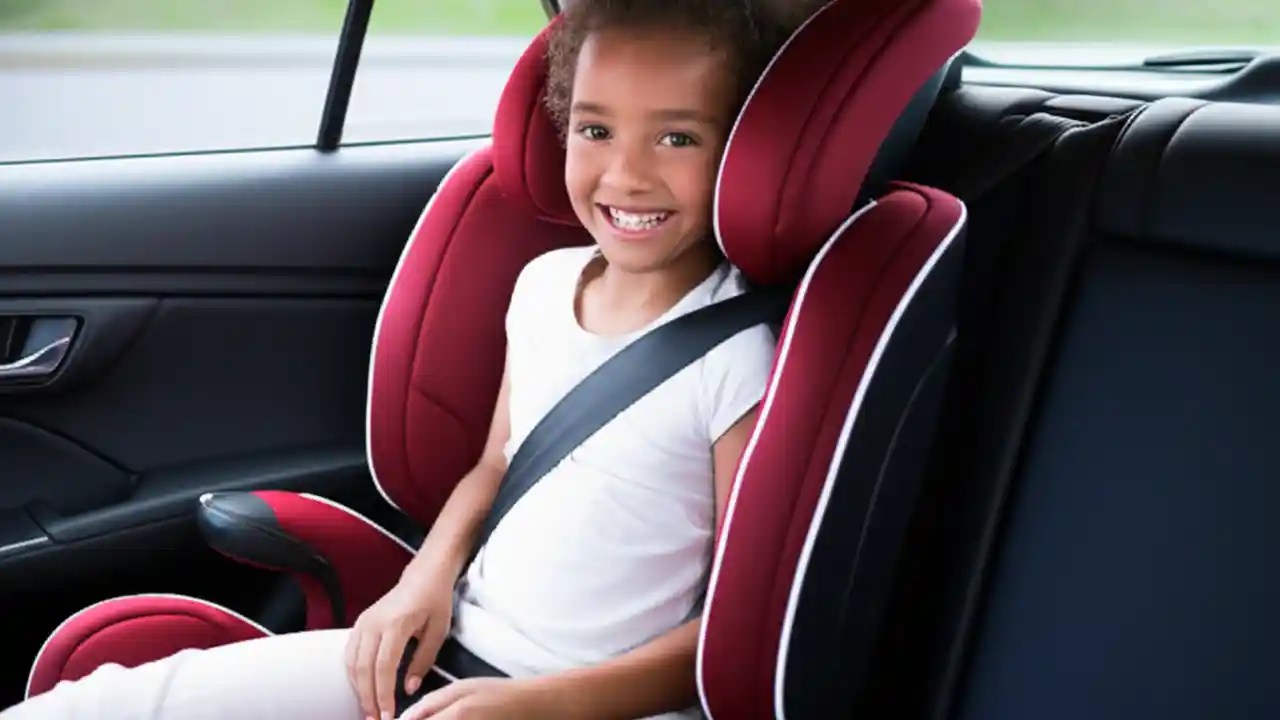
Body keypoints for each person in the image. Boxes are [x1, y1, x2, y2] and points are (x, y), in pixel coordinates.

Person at [1, 1, 807, 718]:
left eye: (677, 137)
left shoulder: (738, 355)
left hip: (589, 702)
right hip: (441, 655)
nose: (627, 174)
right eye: (596, 130)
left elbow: (739, 627)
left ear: (742, 152)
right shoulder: (542, 286)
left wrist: (537, 707)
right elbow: (495, 466)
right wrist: (420, 583)